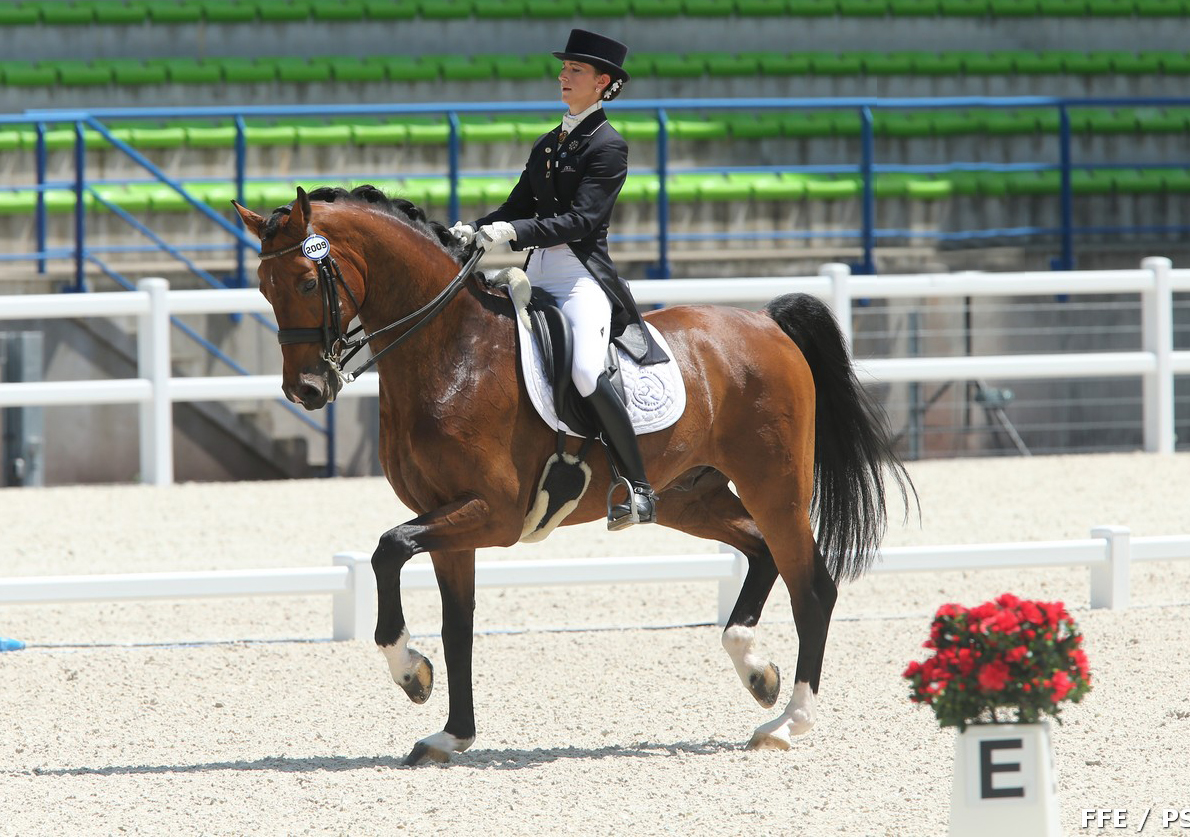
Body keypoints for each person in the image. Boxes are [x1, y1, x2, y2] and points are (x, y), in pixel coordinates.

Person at [449, 28, 668, 530]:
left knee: (587, 372)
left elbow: (582, 221)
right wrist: (478, 228)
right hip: (535, 273)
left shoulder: (609, 147)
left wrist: (514, 231)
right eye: (564, 68)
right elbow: (516, 205)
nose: (564, 76)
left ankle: (637, 487)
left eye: (576, 71)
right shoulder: (550, 144)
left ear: (603, 83)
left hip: (579, 277)